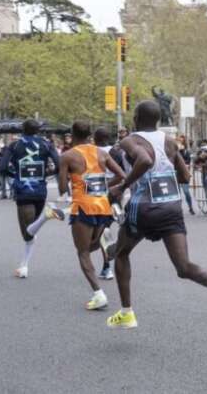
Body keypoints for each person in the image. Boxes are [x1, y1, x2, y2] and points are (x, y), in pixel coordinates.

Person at [105, 100, 207, 330]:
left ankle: (127, 311)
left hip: (144, 208)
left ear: (136, 118)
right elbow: (186, 176)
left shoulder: (130, 140)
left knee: (121, 254)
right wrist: (164, 178)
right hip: (171, 208)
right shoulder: (169, 142)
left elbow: (145, 160)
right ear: (158, 119)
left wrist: (122, 187)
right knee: (183, 267)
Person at [58, 122, 126, 310]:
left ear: (72, 134)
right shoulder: (102, 153)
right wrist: (104, 186)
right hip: (103, 205)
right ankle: (106, 241)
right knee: (90, 245)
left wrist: (66, 178)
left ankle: (98, 294)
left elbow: (63, 188)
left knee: (83, 251)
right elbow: (121, 175)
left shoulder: (67, 156)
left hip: (83, 206)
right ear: (90, 135)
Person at [0, 119, 63, 278]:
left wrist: (15, 176)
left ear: (22, 129)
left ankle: (46, 217)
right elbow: (59, 165)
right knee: (32, 231)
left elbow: (1, 168)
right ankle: (24, 266)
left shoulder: (14, 145)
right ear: (38, 130)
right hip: (40, 190)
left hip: (23, 190)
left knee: (27, 233)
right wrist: (46, 174)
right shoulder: (47, 144)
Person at [92, 127, 119, 280]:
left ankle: (107, 265)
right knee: (105, 226)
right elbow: (122, 173)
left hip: (94, 193)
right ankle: (107, 266)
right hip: (112, 193)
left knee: (96, 229)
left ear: (95, 138)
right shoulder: (115, 152)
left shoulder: (92, 152)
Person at [177, 135, 196, 215]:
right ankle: (177, 209)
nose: (180, 144)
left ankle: (190, 207)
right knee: (177, 193)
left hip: (184, 174)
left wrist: (184, 164)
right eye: (179, 142)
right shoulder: (175, 152)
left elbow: (188, 161)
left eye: (182, 142)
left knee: (186, 191)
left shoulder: (186, 152)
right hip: (176, 173)